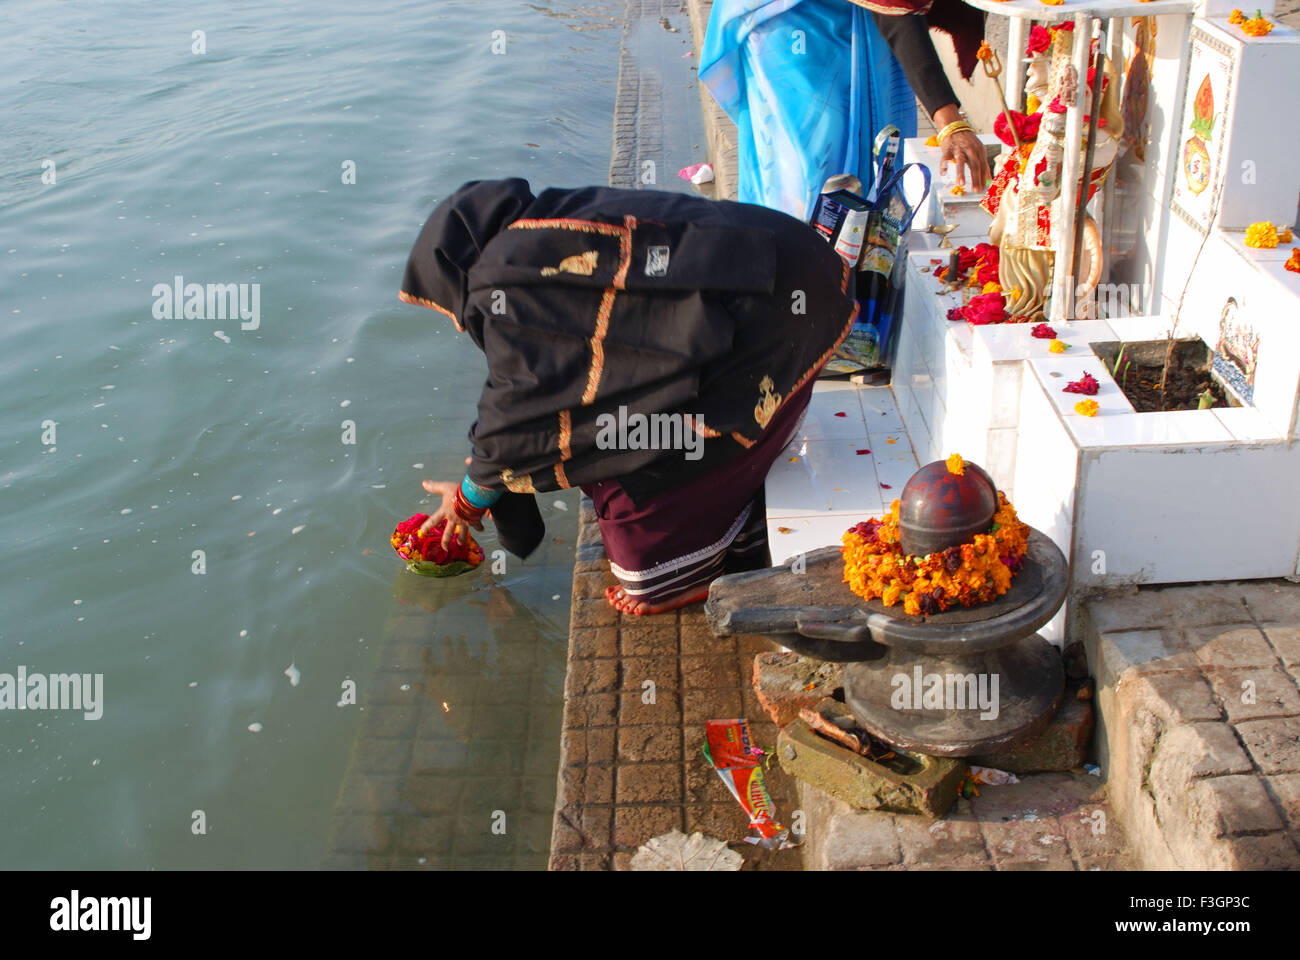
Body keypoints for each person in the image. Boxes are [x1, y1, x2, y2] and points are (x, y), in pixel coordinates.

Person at [400, 178, 857, 615]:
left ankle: (694, 575)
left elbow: (519, 408)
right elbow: (557, 381)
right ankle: (742, 503)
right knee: (624, 424)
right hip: (810, 283)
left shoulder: (507, 278)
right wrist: (491, 466)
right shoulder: (552, 222)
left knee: (632, 520)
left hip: (774, 322)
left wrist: (469, 497)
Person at [699, 0, 991, 219]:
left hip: (859, 19)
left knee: (875, 157)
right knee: (808, 169)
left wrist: (948, 119)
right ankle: (797, 272)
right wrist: (948, 119)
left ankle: (859, 271)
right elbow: (894, 9)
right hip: (785, 27)